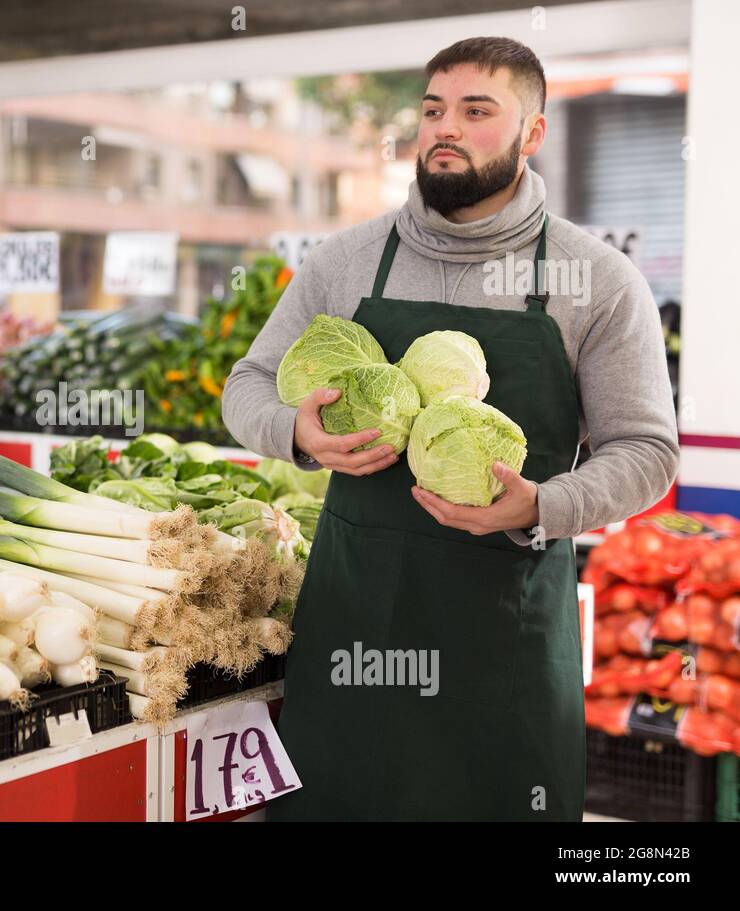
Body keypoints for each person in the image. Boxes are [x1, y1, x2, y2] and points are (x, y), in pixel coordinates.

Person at [222, 37, 678, 821]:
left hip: (501, 632)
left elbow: (646, 451)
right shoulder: (347, 260)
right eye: (433, 109)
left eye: (476, 110)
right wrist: (295, 431)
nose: (446, 128)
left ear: (532, 133)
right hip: (353, 622)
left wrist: (543, 505)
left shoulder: (596, 281)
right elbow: (247, 384)